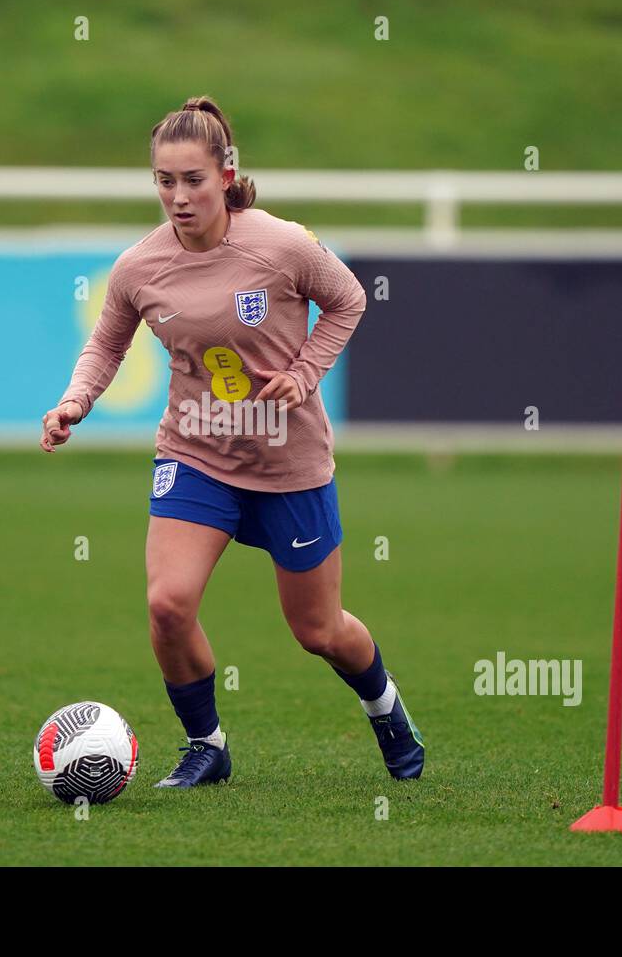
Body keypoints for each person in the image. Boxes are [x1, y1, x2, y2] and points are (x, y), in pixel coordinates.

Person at [40, 95, 423, 787]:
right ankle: (207, 747)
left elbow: (349, 300)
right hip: (196, 454)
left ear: (226, 173)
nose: (178, 197)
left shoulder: (279, 245)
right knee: (168, 604)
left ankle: (386, 709)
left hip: (289, 461)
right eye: (164, 181)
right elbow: (106, 345)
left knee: (319, 631)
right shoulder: (139, 269)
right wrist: (75, 401)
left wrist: (305, 373)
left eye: (192, 179)